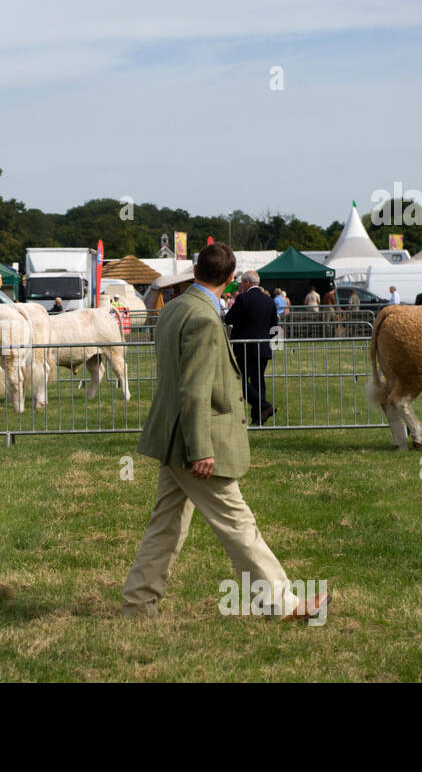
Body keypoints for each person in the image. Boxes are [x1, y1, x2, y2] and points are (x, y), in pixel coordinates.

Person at [122, 242, 326, 621]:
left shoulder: (174, 309)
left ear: (196, 270)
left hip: (172, 437)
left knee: (165, 528)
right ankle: (282, 605)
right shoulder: (201, 317)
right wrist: (200, 448)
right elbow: (194, 388)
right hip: (194, 443)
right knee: (238, 524)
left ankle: (137, 605)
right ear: (230, 280)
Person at [224, 271, 277, 426]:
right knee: (258, 381)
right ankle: (259, 416)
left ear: (247, 282)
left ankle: (264, 407)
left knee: (239, 380)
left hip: (245, 347)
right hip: (263, 347)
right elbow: (275, 325)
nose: (240, 285)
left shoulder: (243, 299)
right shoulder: (269, 300)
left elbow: (229, 319)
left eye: (241, 282)